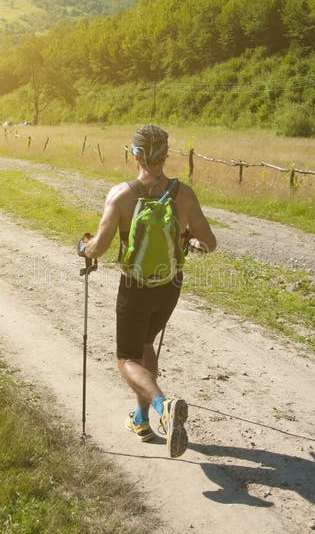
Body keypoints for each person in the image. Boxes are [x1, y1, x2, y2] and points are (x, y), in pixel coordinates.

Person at [78, 124, 216, 458]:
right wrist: (189, 240)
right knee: (145, 345)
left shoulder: (121, 195)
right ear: (165, 155)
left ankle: (163, 406)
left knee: (127, 359)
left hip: (135, 287)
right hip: (170, 286)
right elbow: (210, 243)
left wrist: (84, 247)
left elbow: (100, 248)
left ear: (136, 154)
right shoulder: (184, 194)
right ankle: (141, 419)